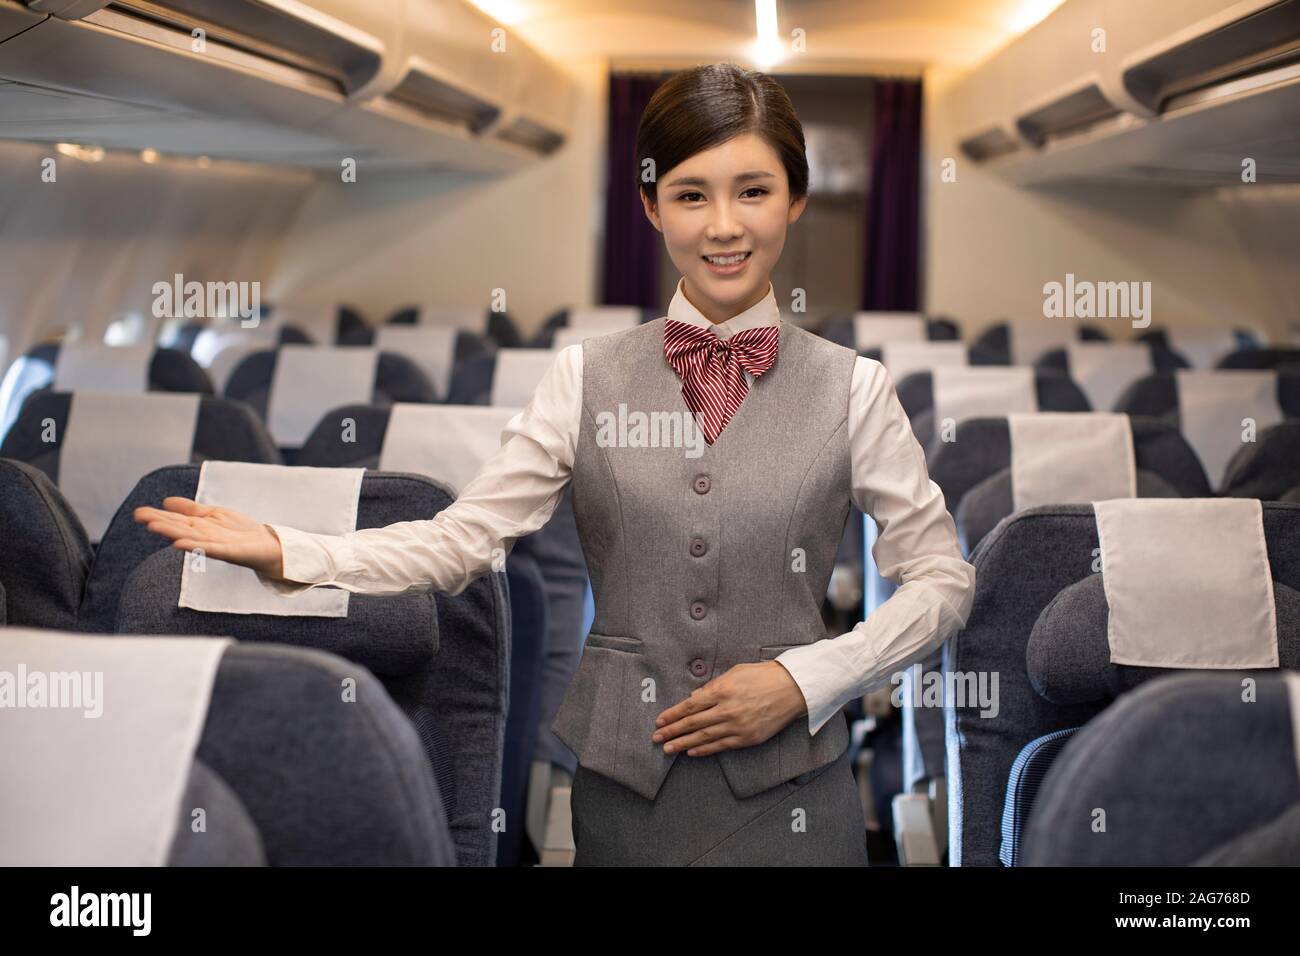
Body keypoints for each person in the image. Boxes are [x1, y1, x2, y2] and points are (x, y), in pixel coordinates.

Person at [134, 61, 976, 867]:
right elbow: (464, 538)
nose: (723, 226)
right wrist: (298, 549)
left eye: (752, 191)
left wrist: (808, 676)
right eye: (690, 195)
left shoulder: (855, 389)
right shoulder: (584, 375)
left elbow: (943, 579)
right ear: (651, 207)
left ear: (793, 200)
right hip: (625, 790)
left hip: (797, 793)